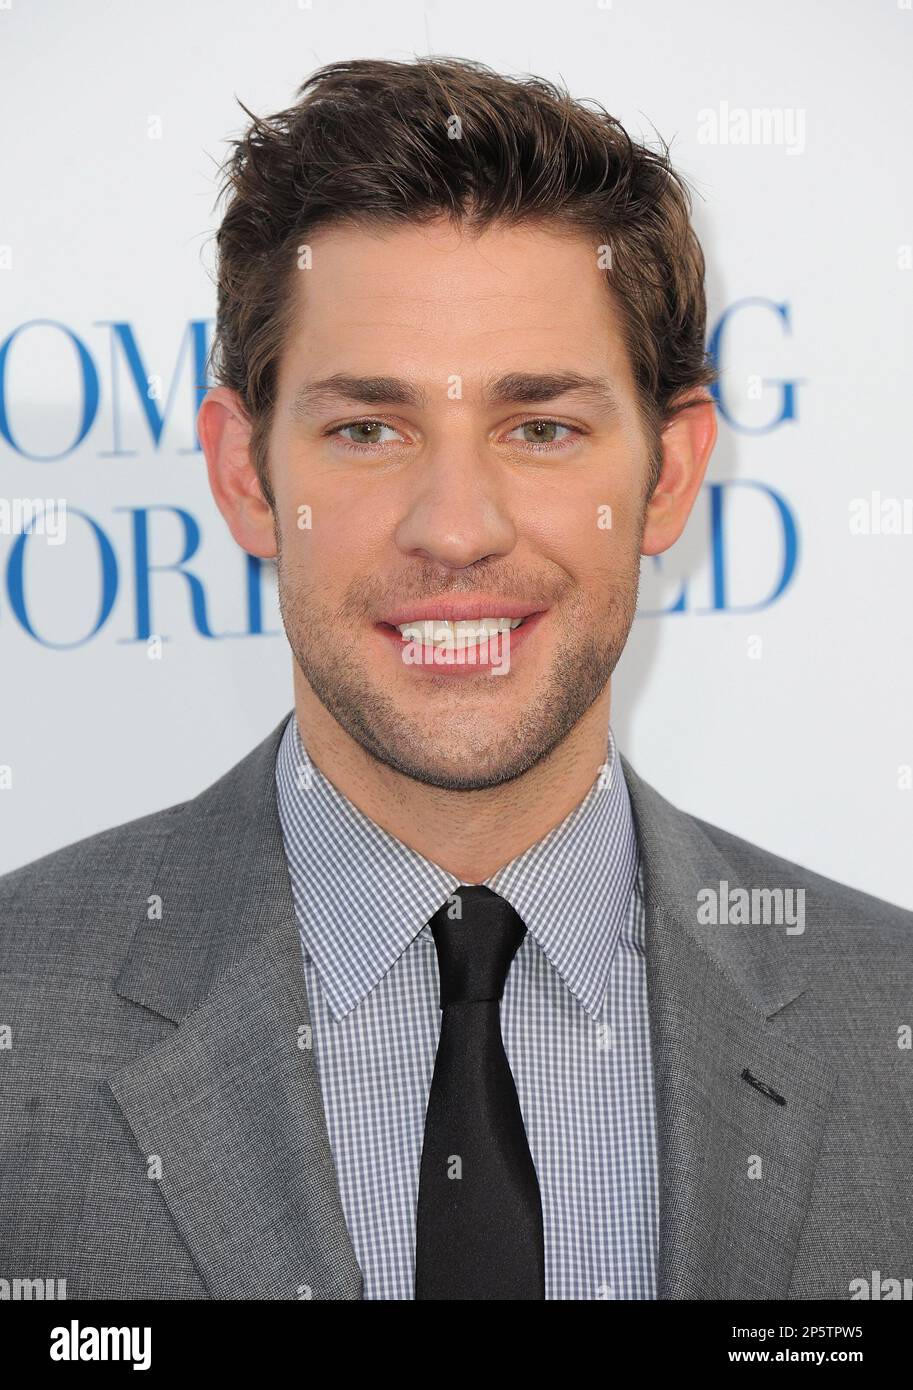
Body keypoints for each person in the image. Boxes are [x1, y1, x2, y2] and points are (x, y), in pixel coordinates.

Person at [1, 57, 910, 1302]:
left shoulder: (890, 1021)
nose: (455, 528)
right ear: (246, 476)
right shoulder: (19, 1007)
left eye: (540, 427)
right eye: (367, 429)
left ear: (671, 471)